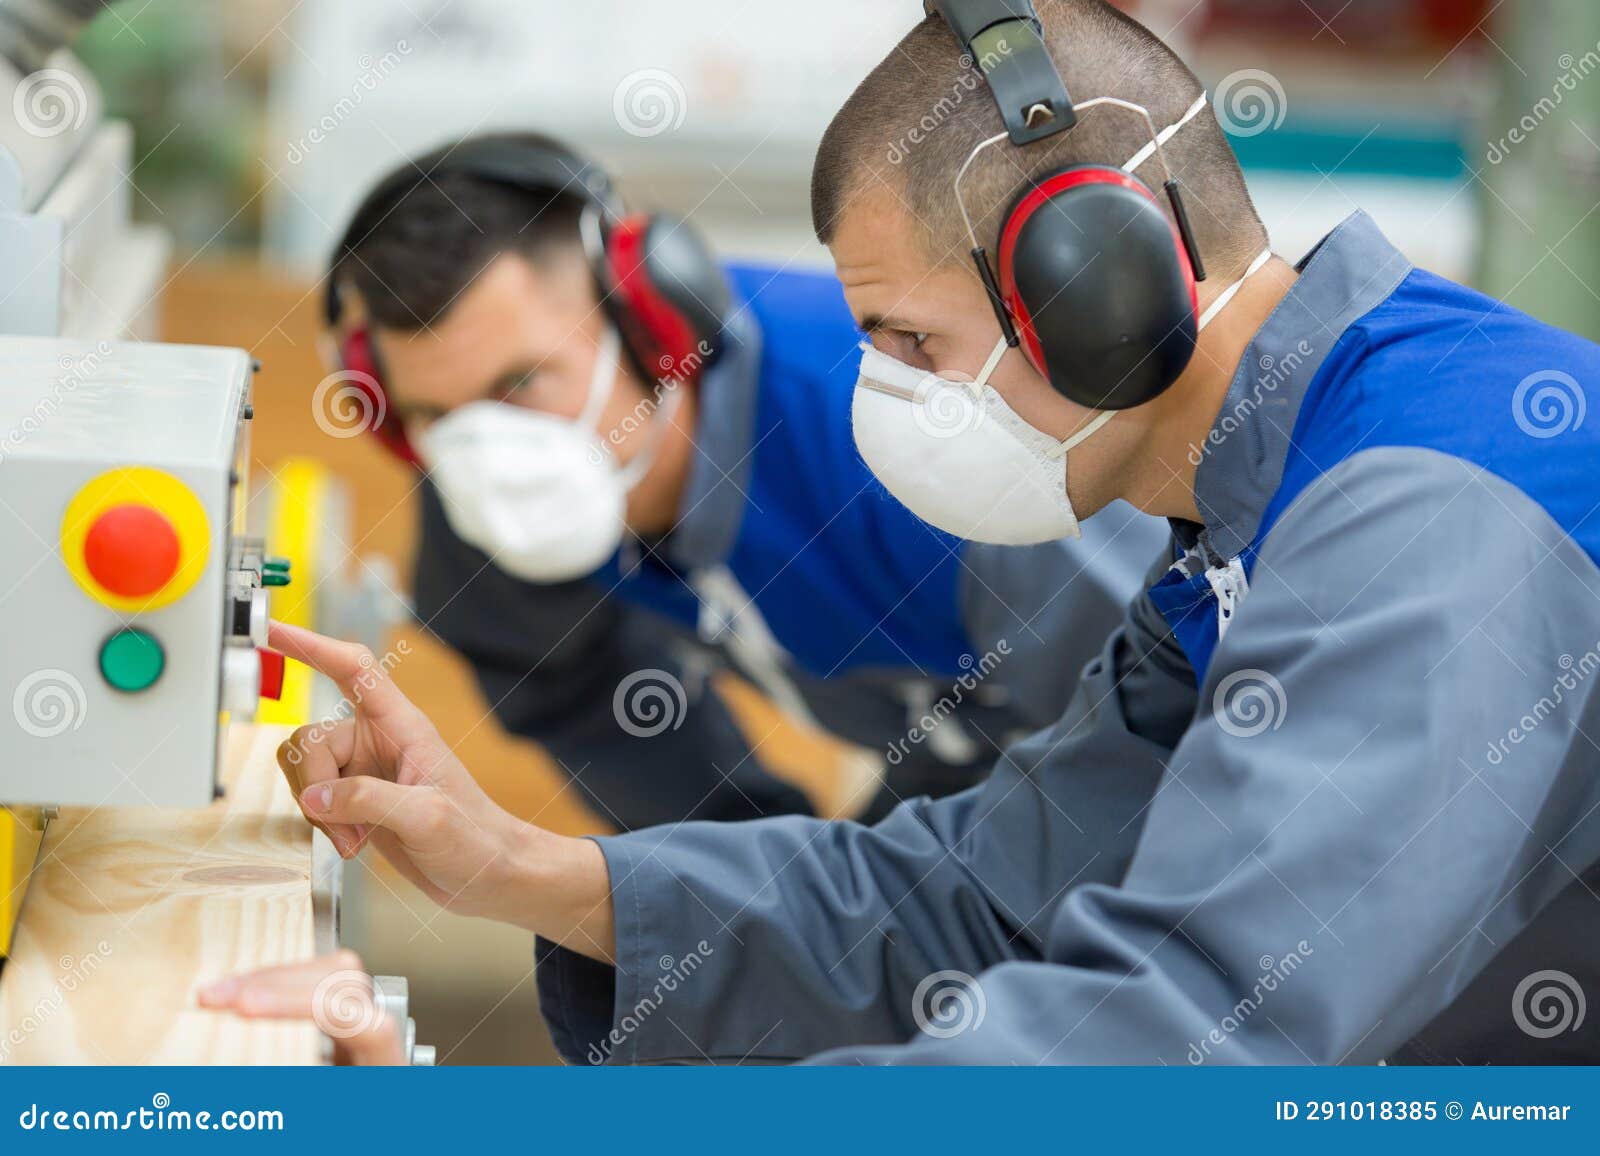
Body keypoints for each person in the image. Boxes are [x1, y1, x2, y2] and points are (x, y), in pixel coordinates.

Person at [209, 0, 1600, 1064]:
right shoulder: (1225, 530)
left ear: (1101, 285)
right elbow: (975, 894)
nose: (885, 402)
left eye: (908, 342)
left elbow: (1183, 1028)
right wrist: (529, 874)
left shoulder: (1423, 501)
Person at [321, 132, 1166, 829]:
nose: (490, 452)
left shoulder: (922, 429)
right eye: (434, 414)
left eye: (520, 385)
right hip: (978, 761)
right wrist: (773, 911)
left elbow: (1161, 739)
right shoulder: (492, 508)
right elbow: (619, 745)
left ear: (649, 321)